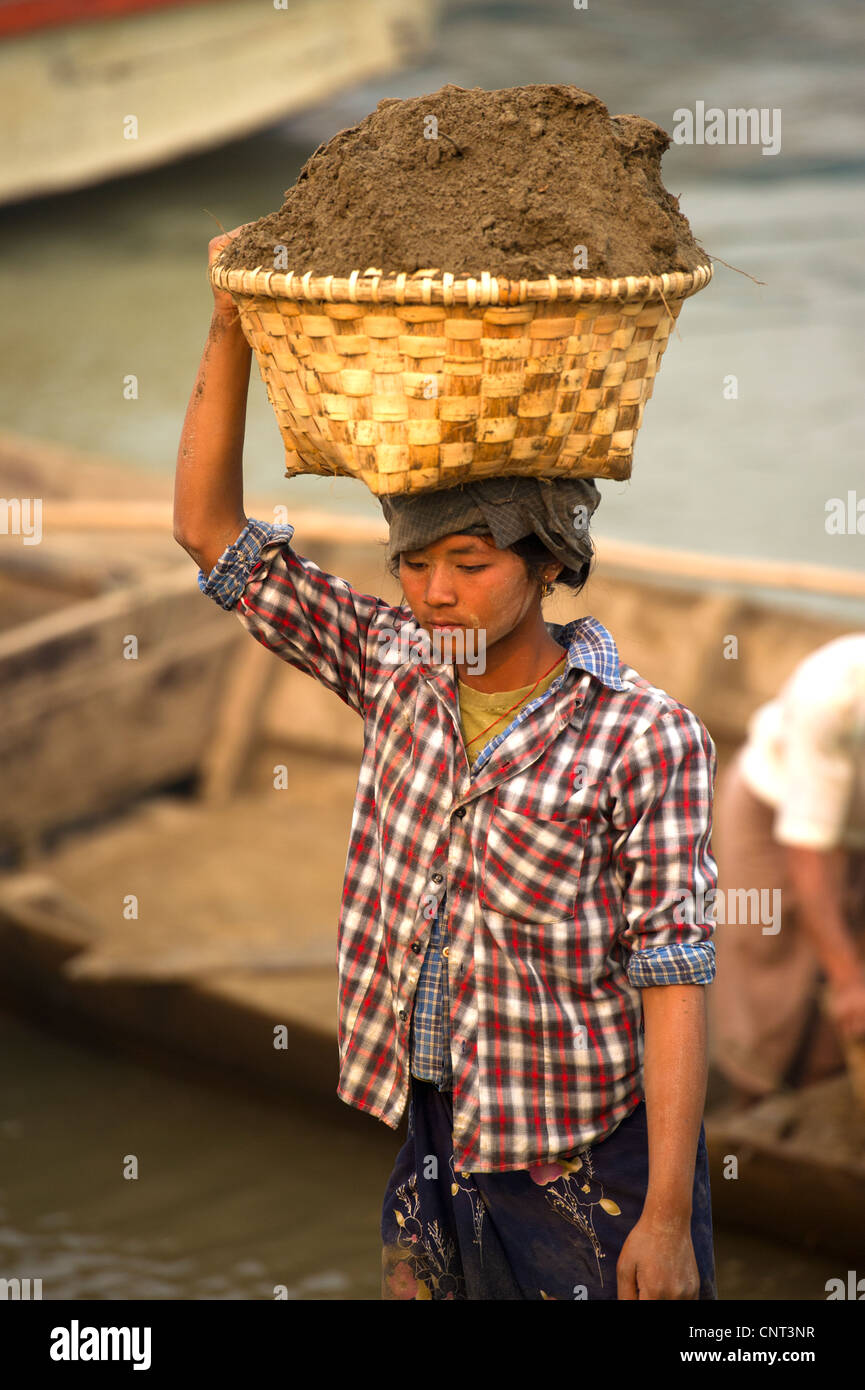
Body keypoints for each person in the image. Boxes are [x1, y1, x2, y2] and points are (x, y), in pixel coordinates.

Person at [174, 228, 719, 1301]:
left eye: (468, 565)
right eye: (413, 565)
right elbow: (208, 533)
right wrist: (231, 316)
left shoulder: (642, 736)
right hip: (430, 1130)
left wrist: (661, 1219)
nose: (433, 595)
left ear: (549, 563)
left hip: (582, 1166)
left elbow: (673, 974)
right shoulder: (393, 665)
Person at [708, 634, 865, 1104]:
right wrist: (847, 979)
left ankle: (823, 1101)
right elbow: (810, 856)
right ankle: (751, 1110)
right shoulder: (835, 696)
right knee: (768, 957)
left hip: (854, 829)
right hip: (772, 810)